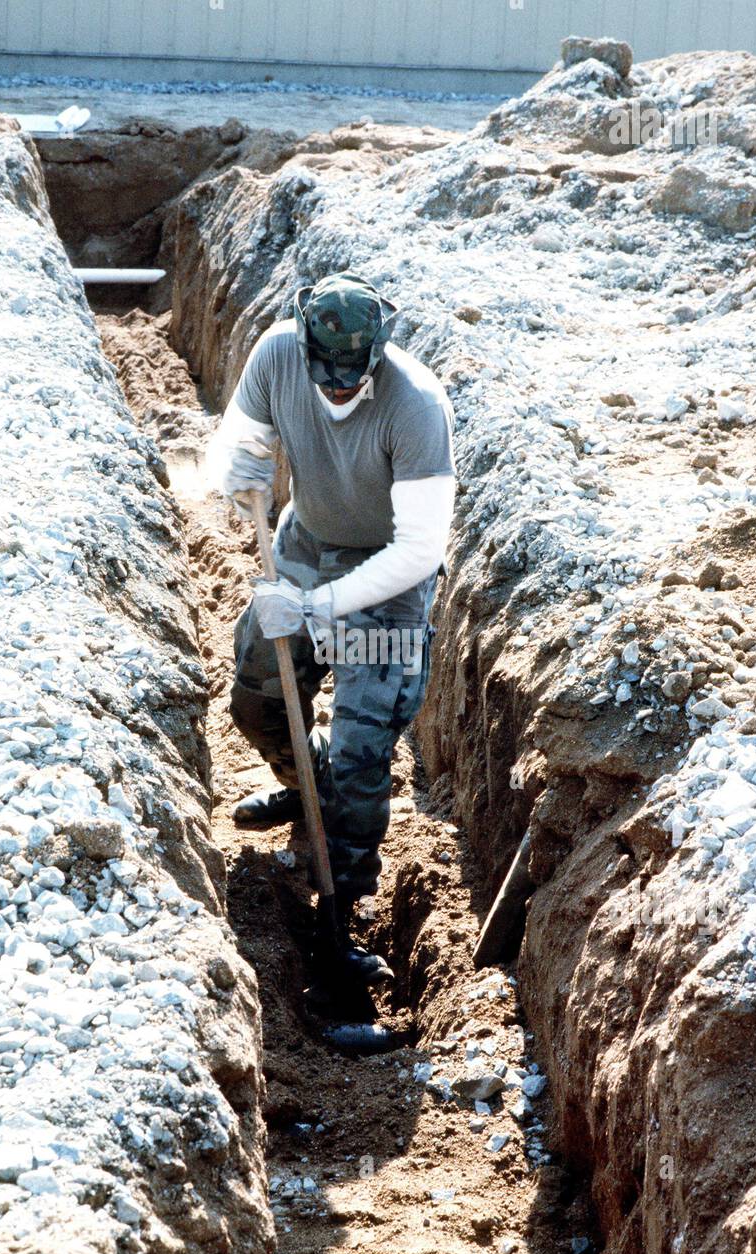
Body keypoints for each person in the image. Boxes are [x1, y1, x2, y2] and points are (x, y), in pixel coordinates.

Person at [206, 271, 455, 993]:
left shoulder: (417, 408)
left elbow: (418, 551)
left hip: (387, 587)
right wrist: (240, 464)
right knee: (257, 699)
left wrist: (319, 612)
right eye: (330, 376)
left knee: (361, 754)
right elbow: (239, 439)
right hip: (305, 551)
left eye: (355, 376)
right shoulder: (278, 353)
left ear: (379, 349)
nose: (341, 388)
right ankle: (301, 783)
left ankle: (339, 920)